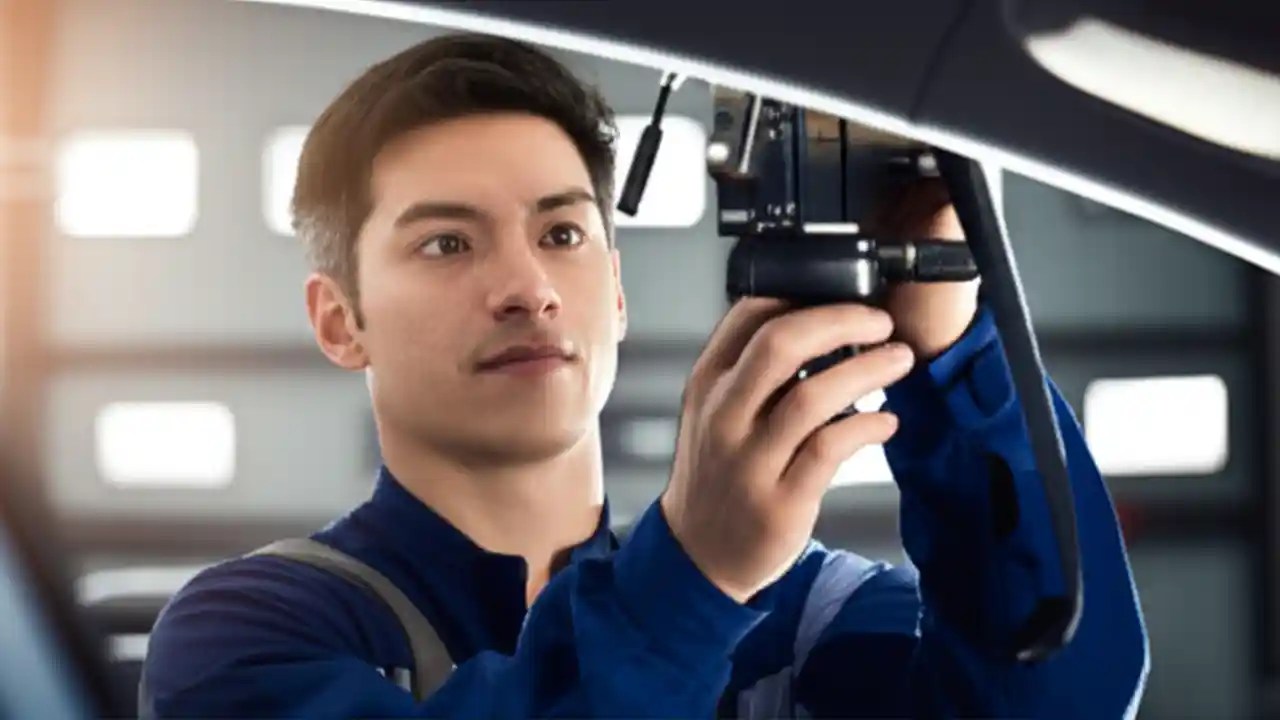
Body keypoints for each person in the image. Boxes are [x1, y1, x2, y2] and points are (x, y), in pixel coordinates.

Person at [140, 32, 1148, 719]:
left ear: (613, 292)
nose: (526, 287)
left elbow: (1058, 696)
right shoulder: (247, 634)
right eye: (447, 244)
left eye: (563, 231)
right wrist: (691, 574)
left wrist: (958, 362)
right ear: (339, 319)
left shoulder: (808, 617)